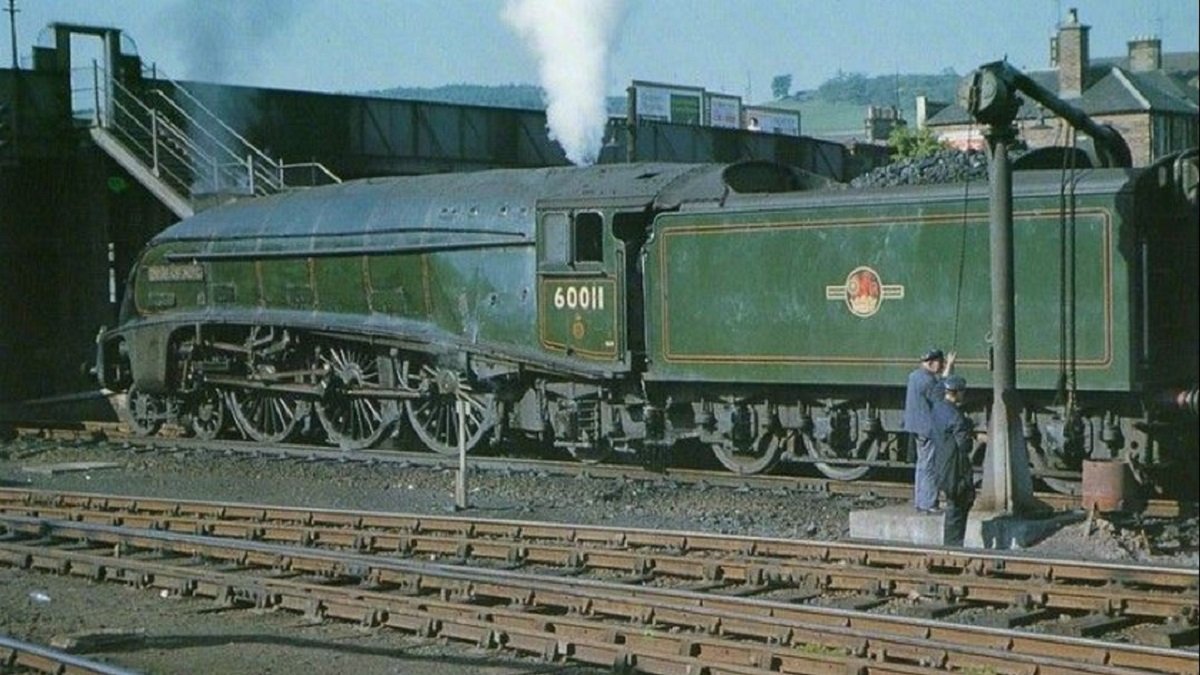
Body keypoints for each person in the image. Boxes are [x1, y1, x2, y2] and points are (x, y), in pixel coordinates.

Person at [903, 347, 955, 512]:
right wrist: (949, 369)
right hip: (928, 429)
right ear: (931, 362)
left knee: (922, 465)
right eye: (940, 362)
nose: (941, 366)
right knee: (930, 466)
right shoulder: (928, 381)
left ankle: (920, 501)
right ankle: (929, 503)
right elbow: (941, 395)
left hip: (917, 427)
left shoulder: (914, 376)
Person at [930, 375, 975, 546]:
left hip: (940, 462)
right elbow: (965, 446)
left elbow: (936, 391)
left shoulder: (937, 408)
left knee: (953, 503)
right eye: (962, 392)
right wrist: (971, 433)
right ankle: (953, 546)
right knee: (958, 506)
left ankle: (951, 545)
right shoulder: (956, 416)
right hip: (956, 467)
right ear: (956, 393)